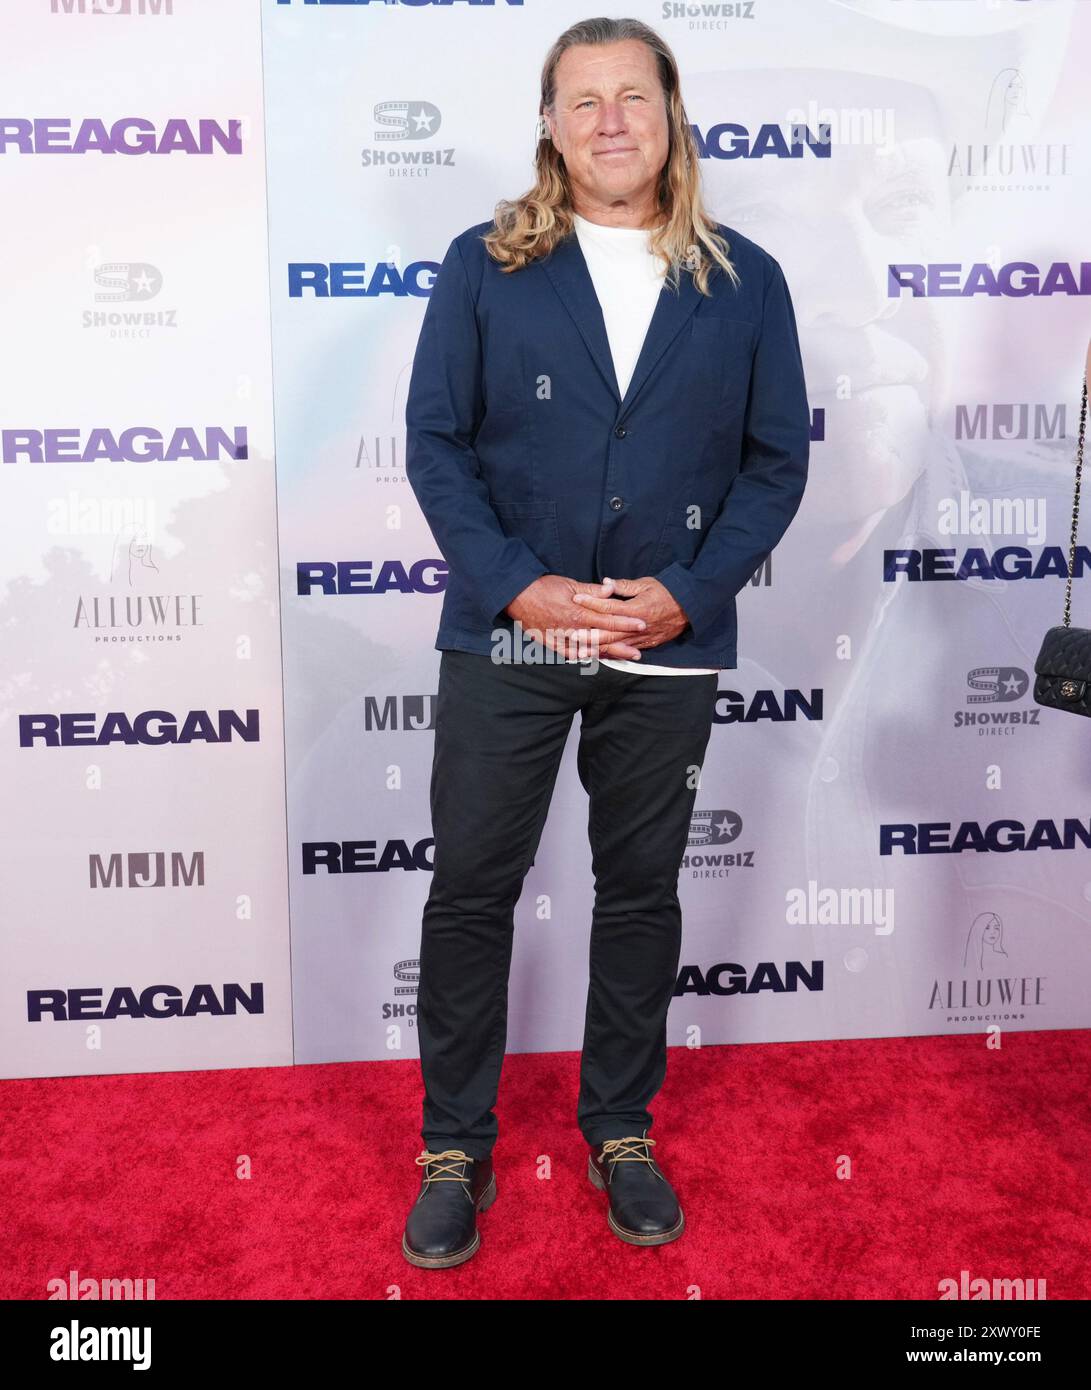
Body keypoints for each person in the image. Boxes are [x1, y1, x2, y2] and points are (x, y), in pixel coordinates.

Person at [401, 15, 810, 1268]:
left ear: (670, 113)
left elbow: (772, 461)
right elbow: (437, 443)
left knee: (638, 893)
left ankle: (619, 1128)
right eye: (582, 102)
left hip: (667, 644)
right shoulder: (485, 265)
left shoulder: (744, 278)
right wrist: (521, 588)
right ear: (547, 124)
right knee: (473, 889)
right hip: (511, 640)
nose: (609, 121)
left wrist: (687, 591)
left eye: (632, 95)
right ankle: (454, 1149)